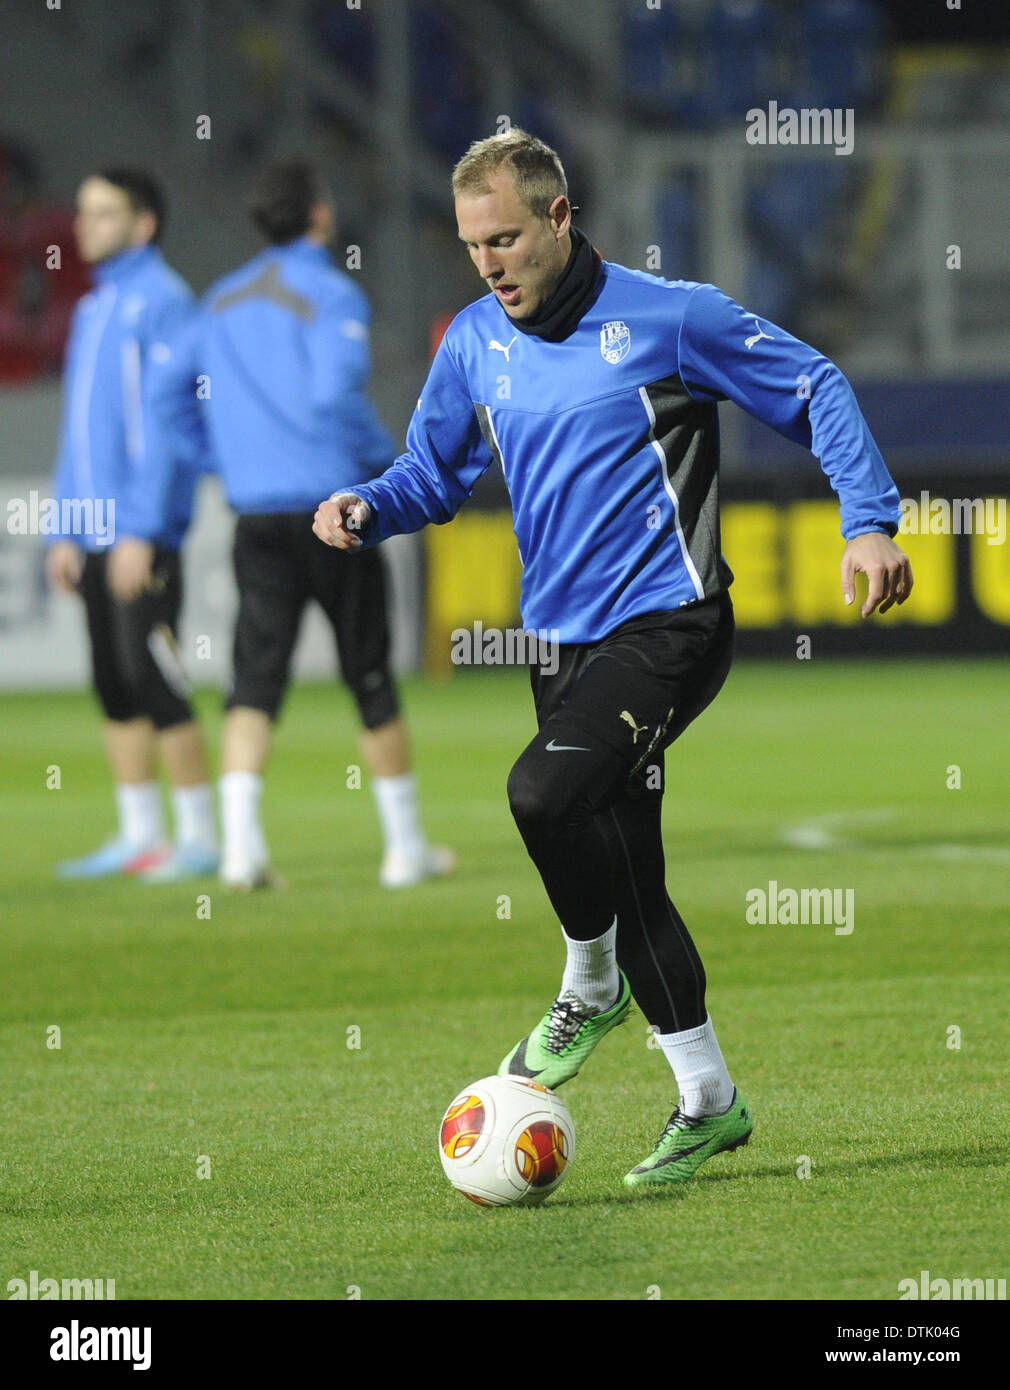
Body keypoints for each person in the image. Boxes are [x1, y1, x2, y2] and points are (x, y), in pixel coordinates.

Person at [313, 128, 913, 1187]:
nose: (488, 263)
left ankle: (587, 985)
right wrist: (370, 505)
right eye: (470, 245)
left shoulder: (667, 317)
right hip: (559, 643)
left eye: (503, 237)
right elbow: (432, 473)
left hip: (670, 625)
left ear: (558, 216)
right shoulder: (471, 342)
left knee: (543, 797)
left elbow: (813, 383)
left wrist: (866, 518)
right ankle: (709, 1103)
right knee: (628, 865)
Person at [147, 156, 453, 890]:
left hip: (255, 515)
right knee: (371, 673)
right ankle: (404, 849)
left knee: (254, 680)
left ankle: (242, 849)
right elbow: (333, 396)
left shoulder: (217, 302)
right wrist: (388, 465)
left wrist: (225, 458)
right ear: (318, 213)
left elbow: (167, 399)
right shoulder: (331, 293)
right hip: (334, 508)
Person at [46, 167, 218, 883]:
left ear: (144, 223)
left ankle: (201, 838)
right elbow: (79, 433)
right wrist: (64, 523)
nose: (84, 225)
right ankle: (140, 833)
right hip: (92, 532)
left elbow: (171, 432)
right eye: (83, 211)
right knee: (113, 682)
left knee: (154, 675)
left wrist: (141, 529)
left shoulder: (165, 304)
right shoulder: (95, 308)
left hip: (140, 535)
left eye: (104, 213)